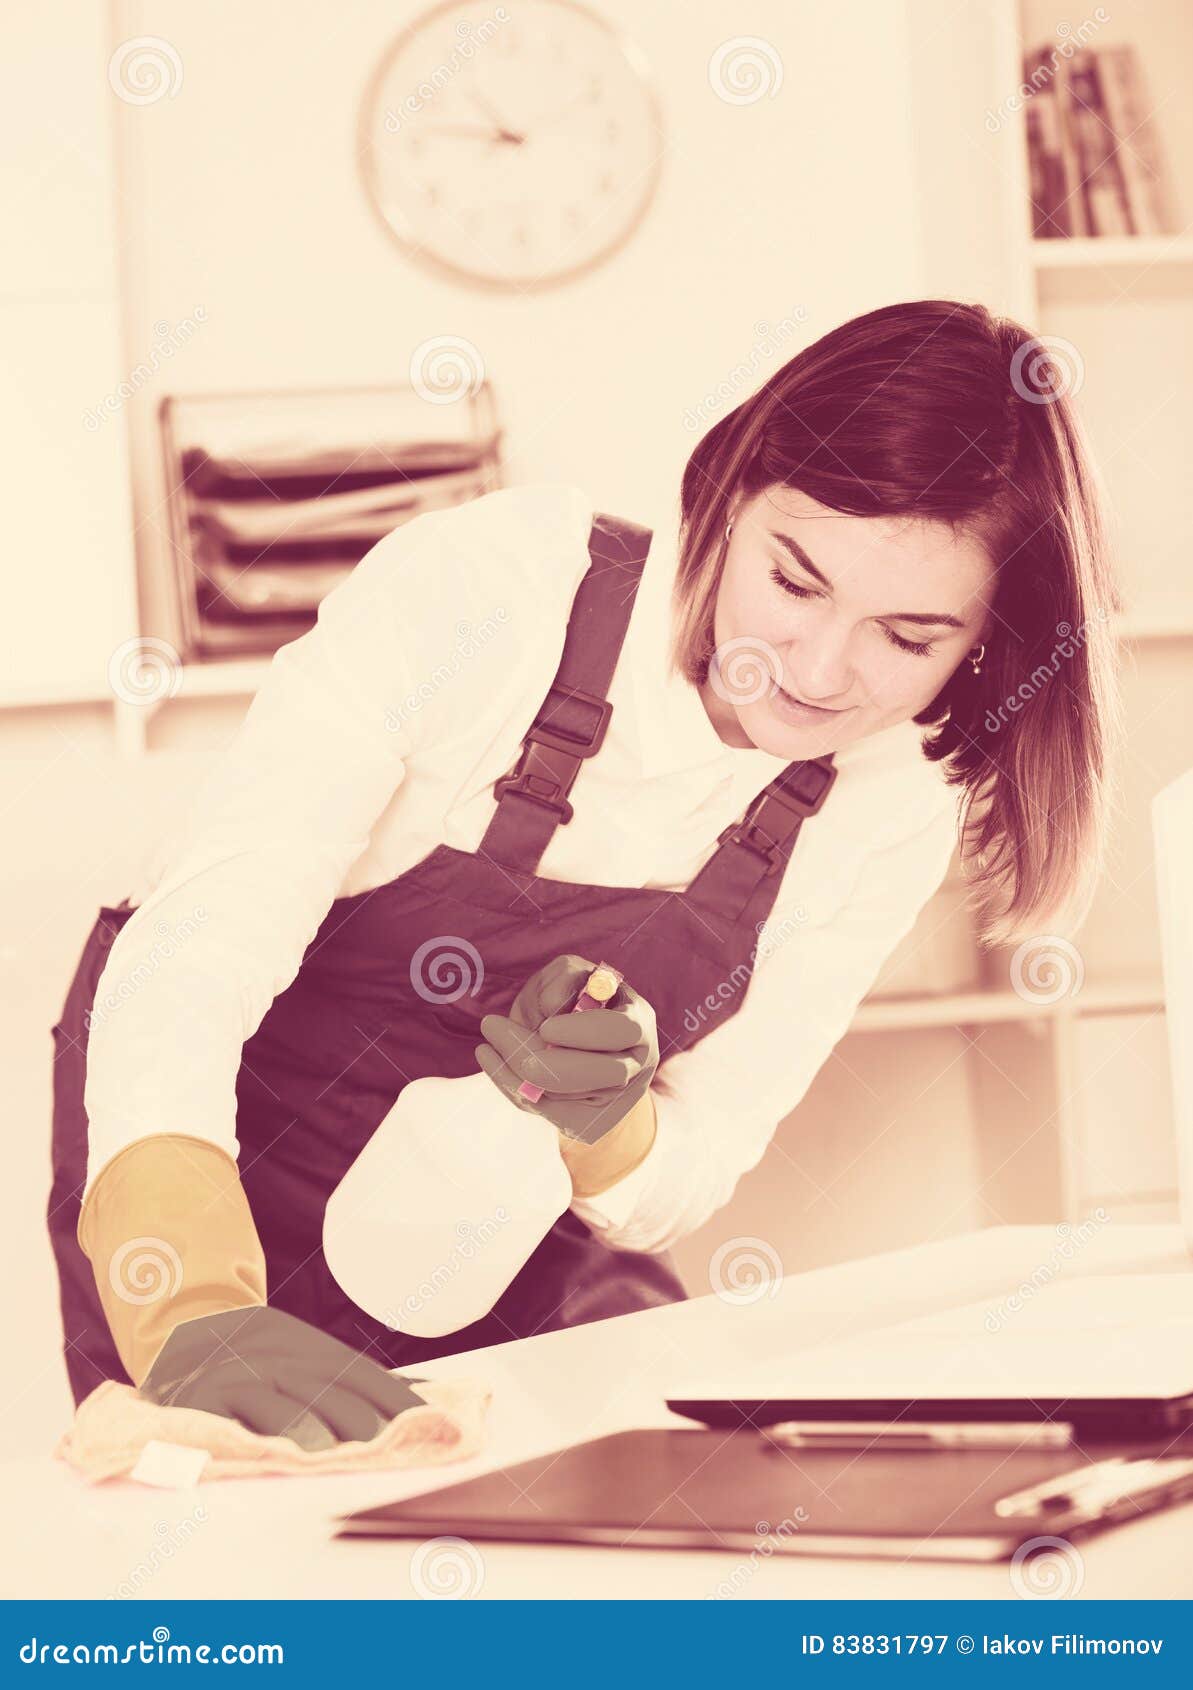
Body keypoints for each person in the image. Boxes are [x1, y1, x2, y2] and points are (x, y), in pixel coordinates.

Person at [48, 299, 1120, 1449]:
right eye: (794, 580)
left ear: (982, 641)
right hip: (214, 1141)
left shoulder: (886, 807)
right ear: (725, 485)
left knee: (602, 1487)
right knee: (226, 1521)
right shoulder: (487, 593)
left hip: (486, 1217)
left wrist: (611, 1131)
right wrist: (196, 1304)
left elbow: (701, 1155)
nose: (815, 671)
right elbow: (200, 953)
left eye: (906, 639)